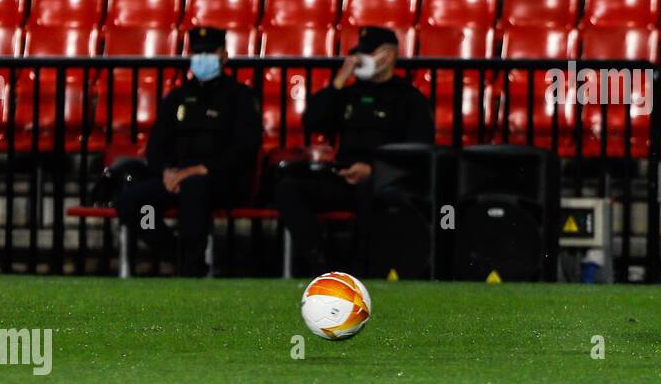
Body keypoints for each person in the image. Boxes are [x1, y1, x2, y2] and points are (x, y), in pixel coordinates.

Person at [275, 26, 435, 275]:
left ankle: (362, 271)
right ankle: (320, 265)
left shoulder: (409, 99)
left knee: (371, 196)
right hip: (343, 175)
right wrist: (339, 80)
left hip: (384, 180)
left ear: (389, 56)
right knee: (289, 188)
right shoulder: (348, 93)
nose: (360, 61)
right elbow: (312, 121)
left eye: (368, 54)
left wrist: (373, 170)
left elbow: (419, 150)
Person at [115, 26, 261, 276]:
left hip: (220, 180)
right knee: (134, 202)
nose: (202, 57)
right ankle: (174, 253)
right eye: (197, 52)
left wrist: (198, 171)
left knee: (195, 188)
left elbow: (243, 149)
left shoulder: (239, 97)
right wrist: (166, 172)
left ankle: (192, 265)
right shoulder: (177, 98)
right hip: (176, 178)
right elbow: (156, 146)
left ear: (223, 56)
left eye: (209, 52)